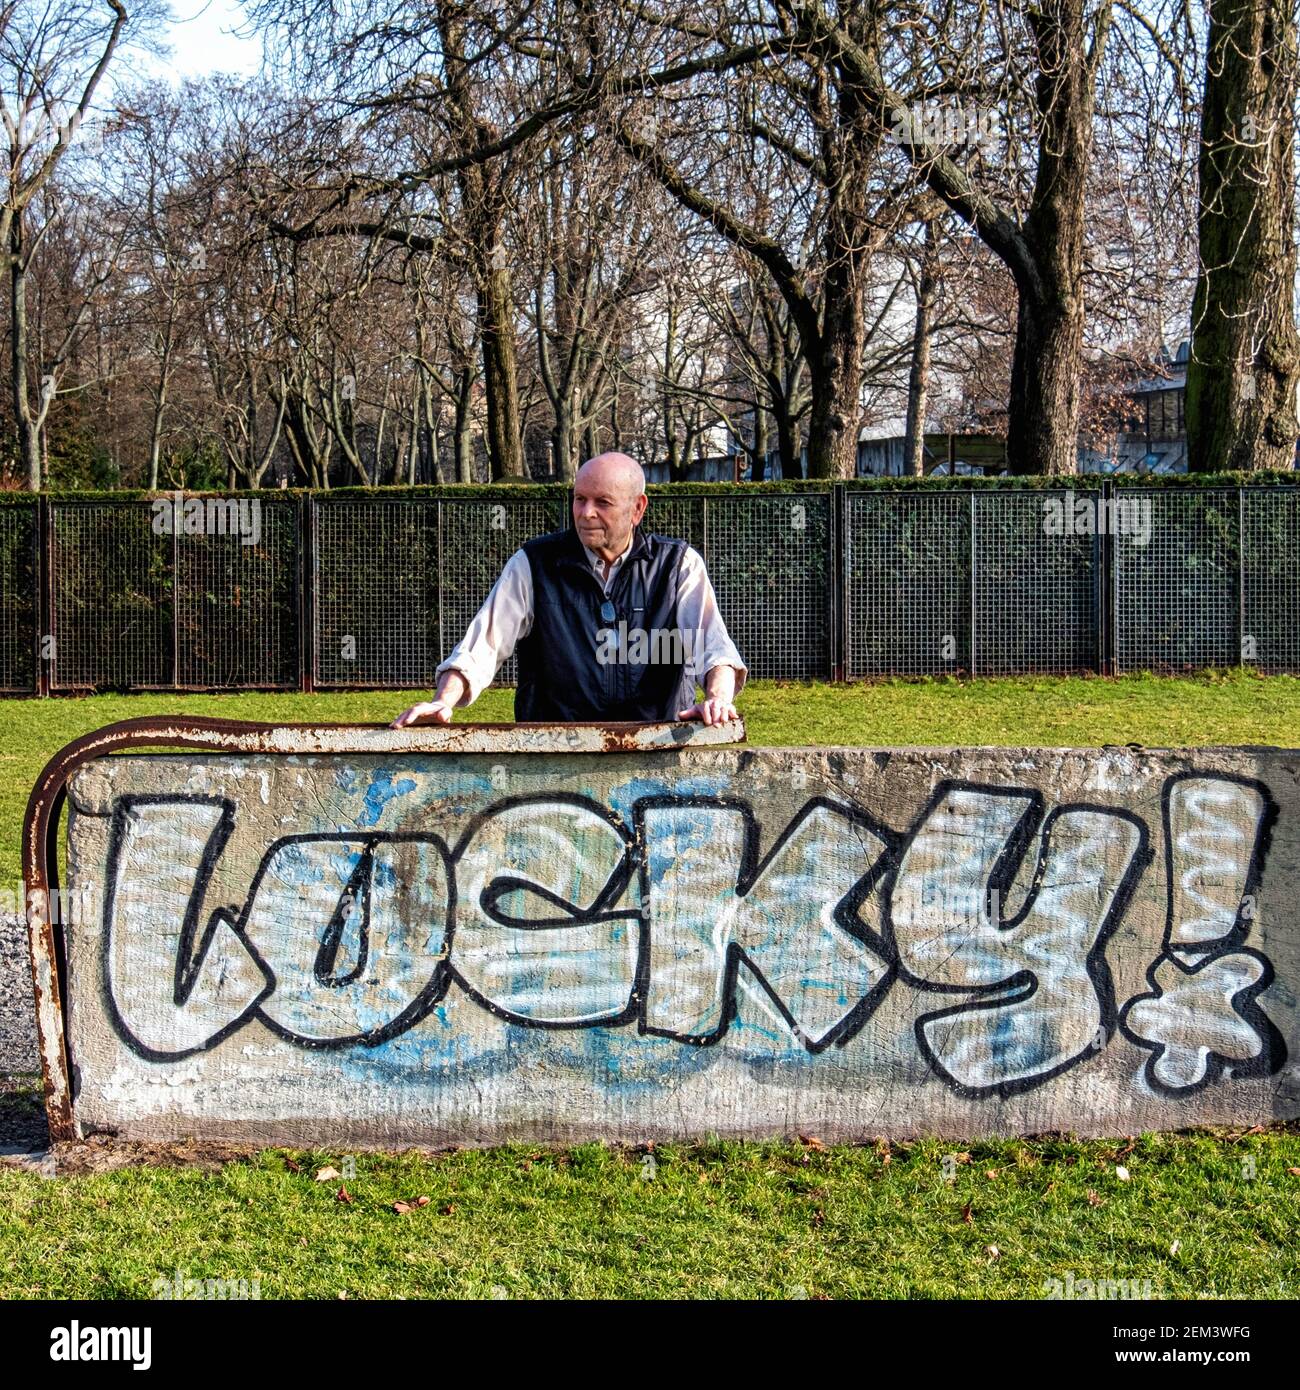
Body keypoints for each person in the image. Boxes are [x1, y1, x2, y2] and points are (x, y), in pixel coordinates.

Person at [392, 452, 746, 727]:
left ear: (637, 509)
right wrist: (445, 699)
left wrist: (717, 699)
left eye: (602, 502)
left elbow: (713, 647)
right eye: (579, 499)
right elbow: (482, 645)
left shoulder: (678, 565)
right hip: (555, 756)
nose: (586, 513)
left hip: (655, 750)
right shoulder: (534, 563)